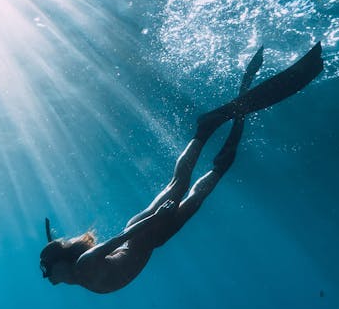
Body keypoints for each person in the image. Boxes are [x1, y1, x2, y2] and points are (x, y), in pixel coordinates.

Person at [40, 43, 323, 294]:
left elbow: (120, 238)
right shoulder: (77, 274)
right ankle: (220, 165)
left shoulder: (84, 264)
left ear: (59, 265)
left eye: (46, 270)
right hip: (151, 240)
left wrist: (155, 218)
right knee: (195, 198)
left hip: (141, 232)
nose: (47, 277)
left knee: (178, 185)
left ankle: (204, 130)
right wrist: (54, 246)